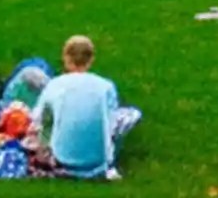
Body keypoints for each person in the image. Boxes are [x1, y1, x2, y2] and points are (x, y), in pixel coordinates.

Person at [31, 36, 141, 181]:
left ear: (65, 58)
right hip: (99, 163)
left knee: (47, 121)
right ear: (91, 60)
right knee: (131, 114)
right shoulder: (105, 86)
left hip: (61, 160)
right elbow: (110, 121)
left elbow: (38, 120)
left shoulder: (55, 85)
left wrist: (43, 145)